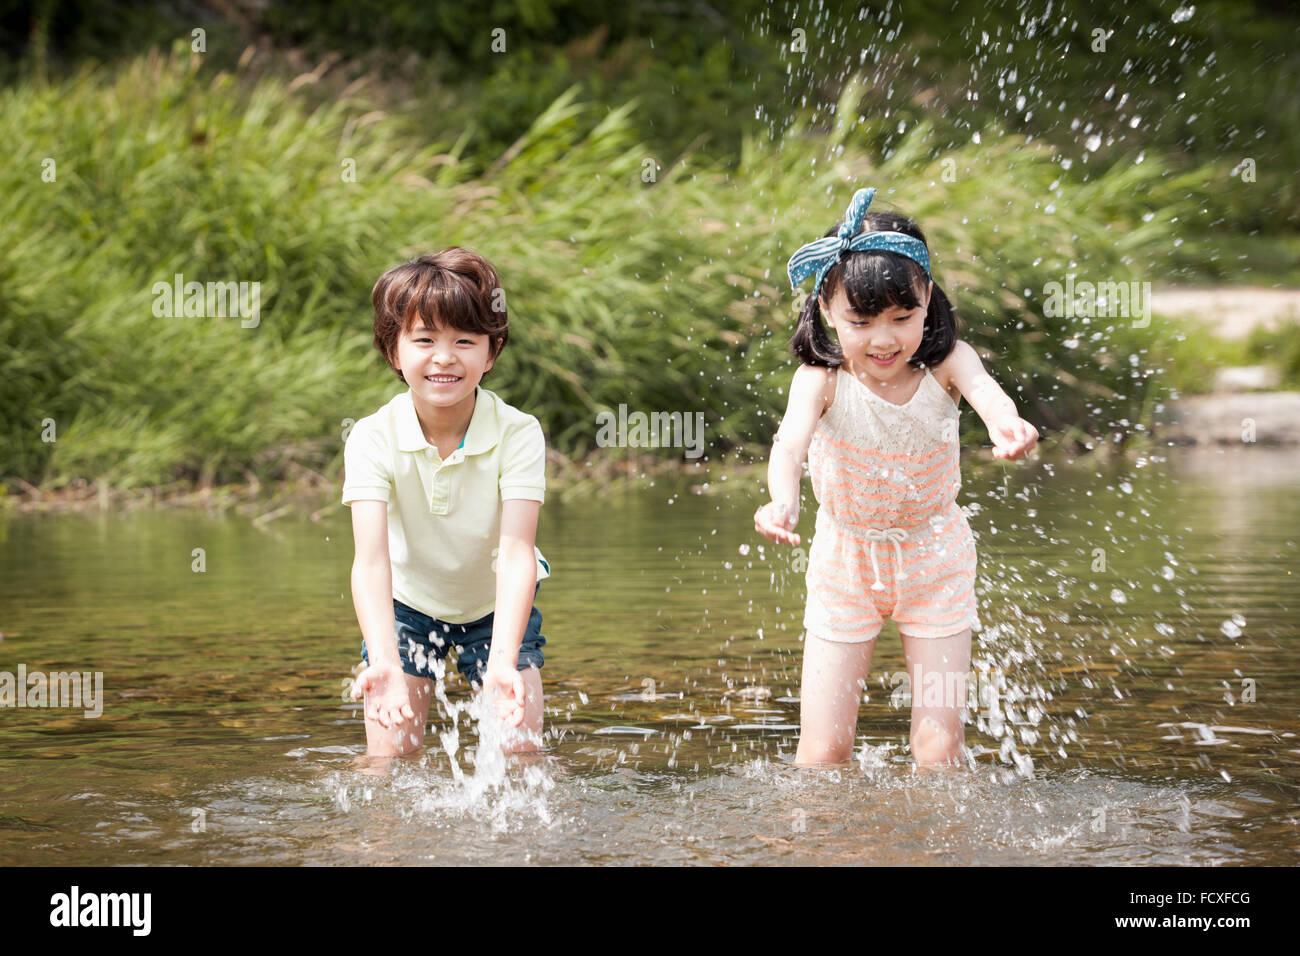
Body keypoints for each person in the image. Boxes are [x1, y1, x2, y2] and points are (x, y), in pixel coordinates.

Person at [754, 187, 1038, 769]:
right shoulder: (820, 379)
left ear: (927, 299)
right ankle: (822, 849)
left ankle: (935, 849)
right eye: (860, 322)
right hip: (844, 560)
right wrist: (781, 501)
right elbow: (789, 447)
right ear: (827, 311)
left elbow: (988, 395)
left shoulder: (948, 362)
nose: (884, 340)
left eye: (902, 318)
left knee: (939, 746)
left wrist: (1008, 426)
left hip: (935, 559)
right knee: (824, 748)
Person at [342, 248, 551, 757]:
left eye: (464, 341)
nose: (444, 357)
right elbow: (370, 561)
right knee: (388, 762)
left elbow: (518, 552)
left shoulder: (519, 433)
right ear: (395, 351)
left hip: (495, 607)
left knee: (522, 757)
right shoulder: (371, 437)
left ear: (491, 353)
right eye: (424, 340)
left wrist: (504, 660)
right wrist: (384, 660)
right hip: (406, 607)